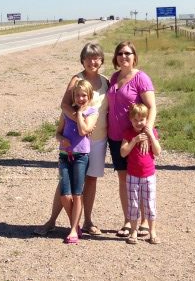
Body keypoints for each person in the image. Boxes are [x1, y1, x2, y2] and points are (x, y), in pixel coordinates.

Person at [35, 42, 109, 237]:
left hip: (99, 138)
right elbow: (65, 105)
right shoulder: (77, 79)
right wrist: (81, 122)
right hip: (76, 139)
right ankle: (52, 220)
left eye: (96, 57)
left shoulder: (106, 81)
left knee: (90, 180)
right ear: (82, 60)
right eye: (88, 58)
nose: (93, 61)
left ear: (101, 60)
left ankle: (87, 221)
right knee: (66, 182)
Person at [106, 40, 157, 238]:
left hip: (137, 138)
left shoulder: (141, 78)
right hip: (116, 137)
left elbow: (152, 107)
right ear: (116, 57)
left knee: (141, 179)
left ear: (134, 57)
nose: (123, 57)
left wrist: (146, 133)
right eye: (120, 53)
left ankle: (144, 221)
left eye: (127, 53)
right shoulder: (114, 77)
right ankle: (129, 219)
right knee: (124, 179)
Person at [56, 78, 98, 244]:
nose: (80, 99)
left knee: (77, 193)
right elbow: (57, 133)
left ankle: (73, 229)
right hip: (64, 156)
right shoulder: (66, 113)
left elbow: (83, 130)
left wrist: (80, 113)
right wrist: (61, 139)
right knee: (65, 195)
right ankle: (76, 222)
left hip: (81, 157)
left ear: (89, 96)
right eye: (77, 95)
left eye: (84, 96)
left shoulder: (92, 112)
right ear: (73, 96)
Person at [121, 103, 161, 244]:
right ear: (130, 120)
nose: (139, 123)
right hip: (132, 175)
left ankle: (152, 231)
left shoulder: (152, 132)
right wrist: (134, 141)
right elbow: (123, 152)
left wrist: (151, 136)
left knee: (150, 203)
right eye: (135, 120)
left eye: (142, 120)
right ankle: (133, 231)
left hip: (149, 175)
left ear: (146, 119)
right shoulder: (128, 133)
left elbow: (158, 152)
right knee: (133, 204)